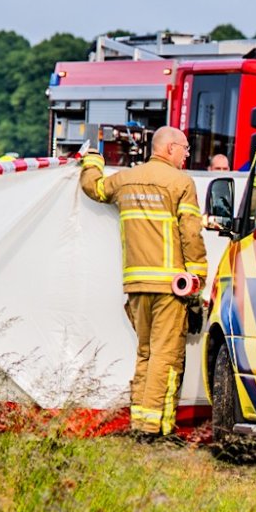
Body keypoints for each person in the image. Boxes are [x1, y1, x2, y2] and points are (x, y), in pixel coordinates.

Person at [79, 126, 209, 440]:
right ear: (169, 149)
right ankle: (154, 429)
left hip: (136, 284)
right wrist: (198, 278)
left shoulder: (125, 180)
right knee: (166, 356)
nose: (187, 155)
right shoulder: (181, 183)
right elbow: (190, 235)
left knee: (146, 354)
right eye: (185, 148)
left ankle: (141, 422)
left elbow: (93, 187)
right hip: (169, 286)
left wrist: (93, 158)